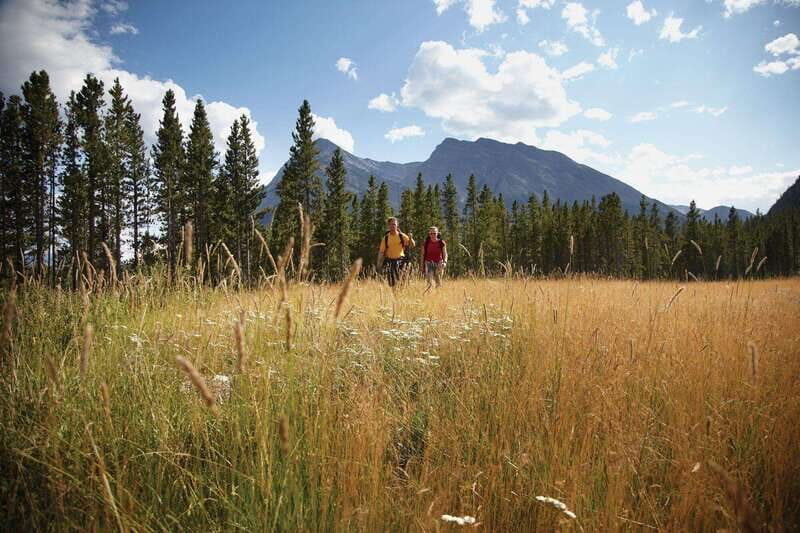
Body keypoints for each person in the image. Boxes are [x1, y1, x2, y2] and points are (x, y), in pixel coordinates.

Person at [377, 217, 415, 287]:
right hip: (390, 262)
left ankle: (400, 293)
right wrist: (379, 263)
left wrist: (410, 238)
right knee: (392, 282)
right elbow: (381, 252)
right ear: (388, 226)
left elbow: (412, 245)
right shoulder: (386, 238)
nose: (393, 226)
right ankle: (395, 295)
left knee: (401, 281)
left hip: (401, 261)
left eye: (394, 224)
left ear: (397, 225)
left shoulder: (402, 236)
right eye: (391, 224)